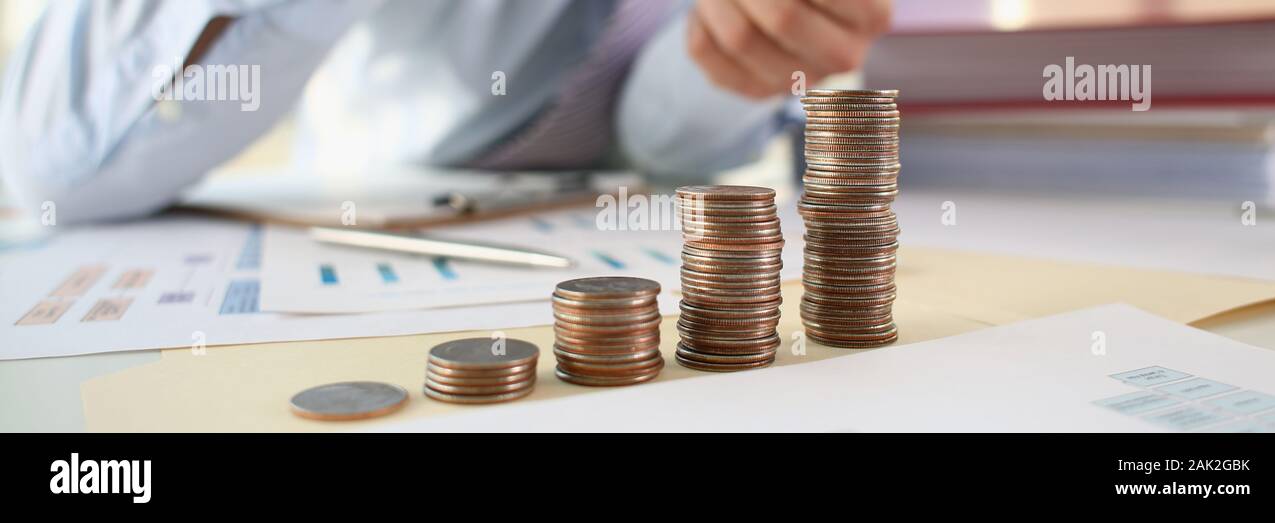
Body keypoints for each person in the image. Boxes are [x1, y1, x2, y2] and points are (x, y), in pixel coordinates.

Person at [0, 0, 890, 224]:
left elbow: (659, 142)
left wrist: (750, 50)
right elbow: (51, 163)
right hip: (356, 213)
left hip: (621, 225)